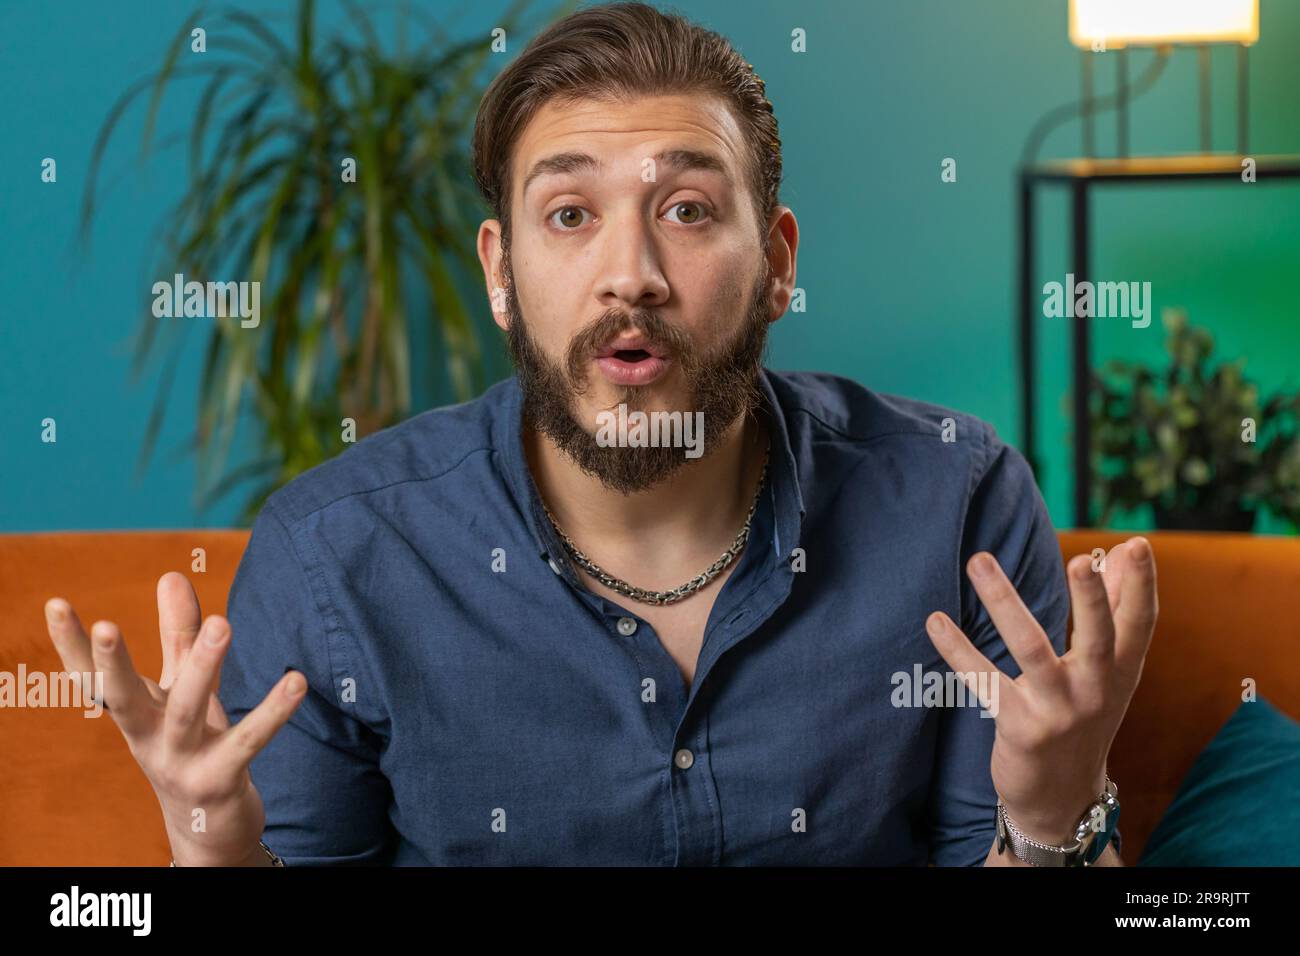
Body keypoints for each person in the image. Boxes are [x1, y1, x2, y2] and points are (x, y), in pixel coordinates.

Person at [43, 1, 1156, 866]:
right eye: (569, 214)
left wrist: (1053, 811)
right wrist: (214, 852)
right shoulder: (333, 557)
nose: (631, 273)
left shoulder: (956, 504)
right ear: (500, 271)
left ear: (776, 263)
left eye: (686, 209)